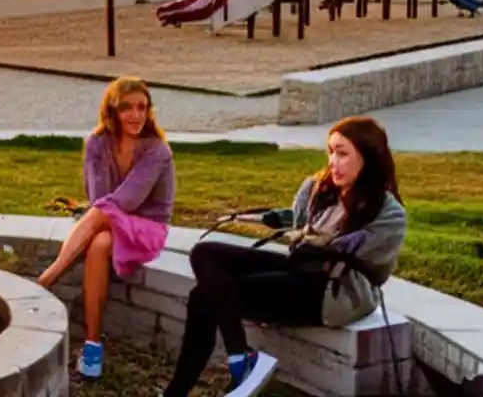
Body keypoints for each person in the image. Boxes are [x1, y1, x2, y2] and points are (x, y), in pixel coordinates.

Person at [161, 116, 407, 397]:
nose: (333, 162)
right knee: (205, 252)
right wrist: (296, 230)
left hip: (333, 290)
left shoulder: (387, 212)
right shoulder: (319, 188)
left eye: (343, 153)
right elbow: (299, 232)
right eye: (331, 151)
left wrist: (314, 241)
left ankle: (184, 389)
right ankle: (241, 358)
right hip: (300, 269)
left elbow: (369, 264)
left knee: (203, 296)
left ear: (368, 157)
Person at [36, 77, 175, 380]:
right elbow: (99, 198)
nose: (136, 115)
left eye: (142, 107)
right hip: (107, 224)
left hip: (146, 227)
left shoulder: (157, 150)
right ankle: (92, 345)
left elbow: (130, 199)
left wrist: (104, 212)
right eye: (127, 108)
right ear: (111, 110)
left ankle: (45, 281)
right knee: (99, 243)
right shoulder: (98, 144)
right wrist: (104, 213)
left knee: (101, 217)